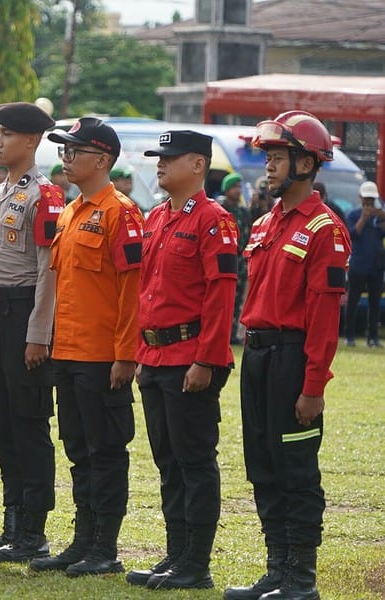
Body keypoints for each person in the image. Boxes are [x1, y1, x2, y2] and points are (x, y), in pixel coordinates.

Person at [226, 110, 351, 600]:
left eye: (279, 157)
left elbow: (324, 318)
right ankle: (276, 570)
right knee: (262, 465)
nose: (269, 166)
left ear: (307, 163)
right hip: (257, 357)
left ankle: (301, 579)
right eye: (269, 158)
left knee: (295, 468)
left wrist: (313, 386)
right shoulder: (264, 224)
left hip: (293, 359)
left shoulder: (324, 229)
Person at [29, 117, 144, 577]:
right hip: (69, 351)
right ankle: (83, 540)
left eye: (74, 151)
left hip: (102, 357)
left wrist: (125, 354)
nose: (66, 158)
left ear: (102, 160)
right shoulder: (70, 211)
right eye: (64, 151)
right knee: (78, 450)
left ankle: (105, 548)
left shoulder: (121, 212)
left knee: (106, 451)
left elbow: (132, 290)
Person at [129, 130, 238, 591]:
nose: (160, 164)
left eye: (170, 158)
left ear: (197, 165)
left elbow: (221, 295)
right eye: (159, 157)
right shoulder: (157, 217)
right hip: (156, 356)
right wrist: (141, 352)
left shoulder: (214, 220)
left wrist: (206, 360)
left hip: (190, 356)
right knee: (167, 461)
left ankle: (196, 563)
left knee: (194, 461)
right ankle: (175, 555)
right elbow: (147, 291)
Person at [0, 102, 64, 564]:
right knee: (2, 424)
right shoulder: (1, 191)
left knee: (27, 423)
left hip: (24, 312)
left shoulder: (44, 194)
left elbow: (48, 270)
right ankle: (12, 524)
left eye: (7, 134)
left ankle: (33, 531)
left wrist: (39, 333)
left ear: (32, 140)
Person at [344, 181, 385, 348]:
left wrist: (382, 217)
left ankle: (373, 337)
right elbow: (352, 234)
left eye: (371, 199)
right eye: (366, 199)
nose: (368, 202)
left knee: (375, 303)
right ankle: (349, 335)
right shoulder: (353, 214)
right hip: (358, 265)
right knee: (353, 301)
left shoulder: (379, 215)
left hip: (376, 265)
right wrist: (364, 217)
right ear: (361, 197)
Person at [219, 172, 252, 345]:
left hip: (240, 263)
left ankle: (232, 334)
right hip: (223, 262)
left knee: (238, 300)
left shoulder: (243, 212)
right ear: (226, 189)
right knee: (222, 300)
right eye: (234, 187)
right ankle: (221, 334)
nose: (238, 190)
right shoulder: (220, 210)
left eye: (239, 187)